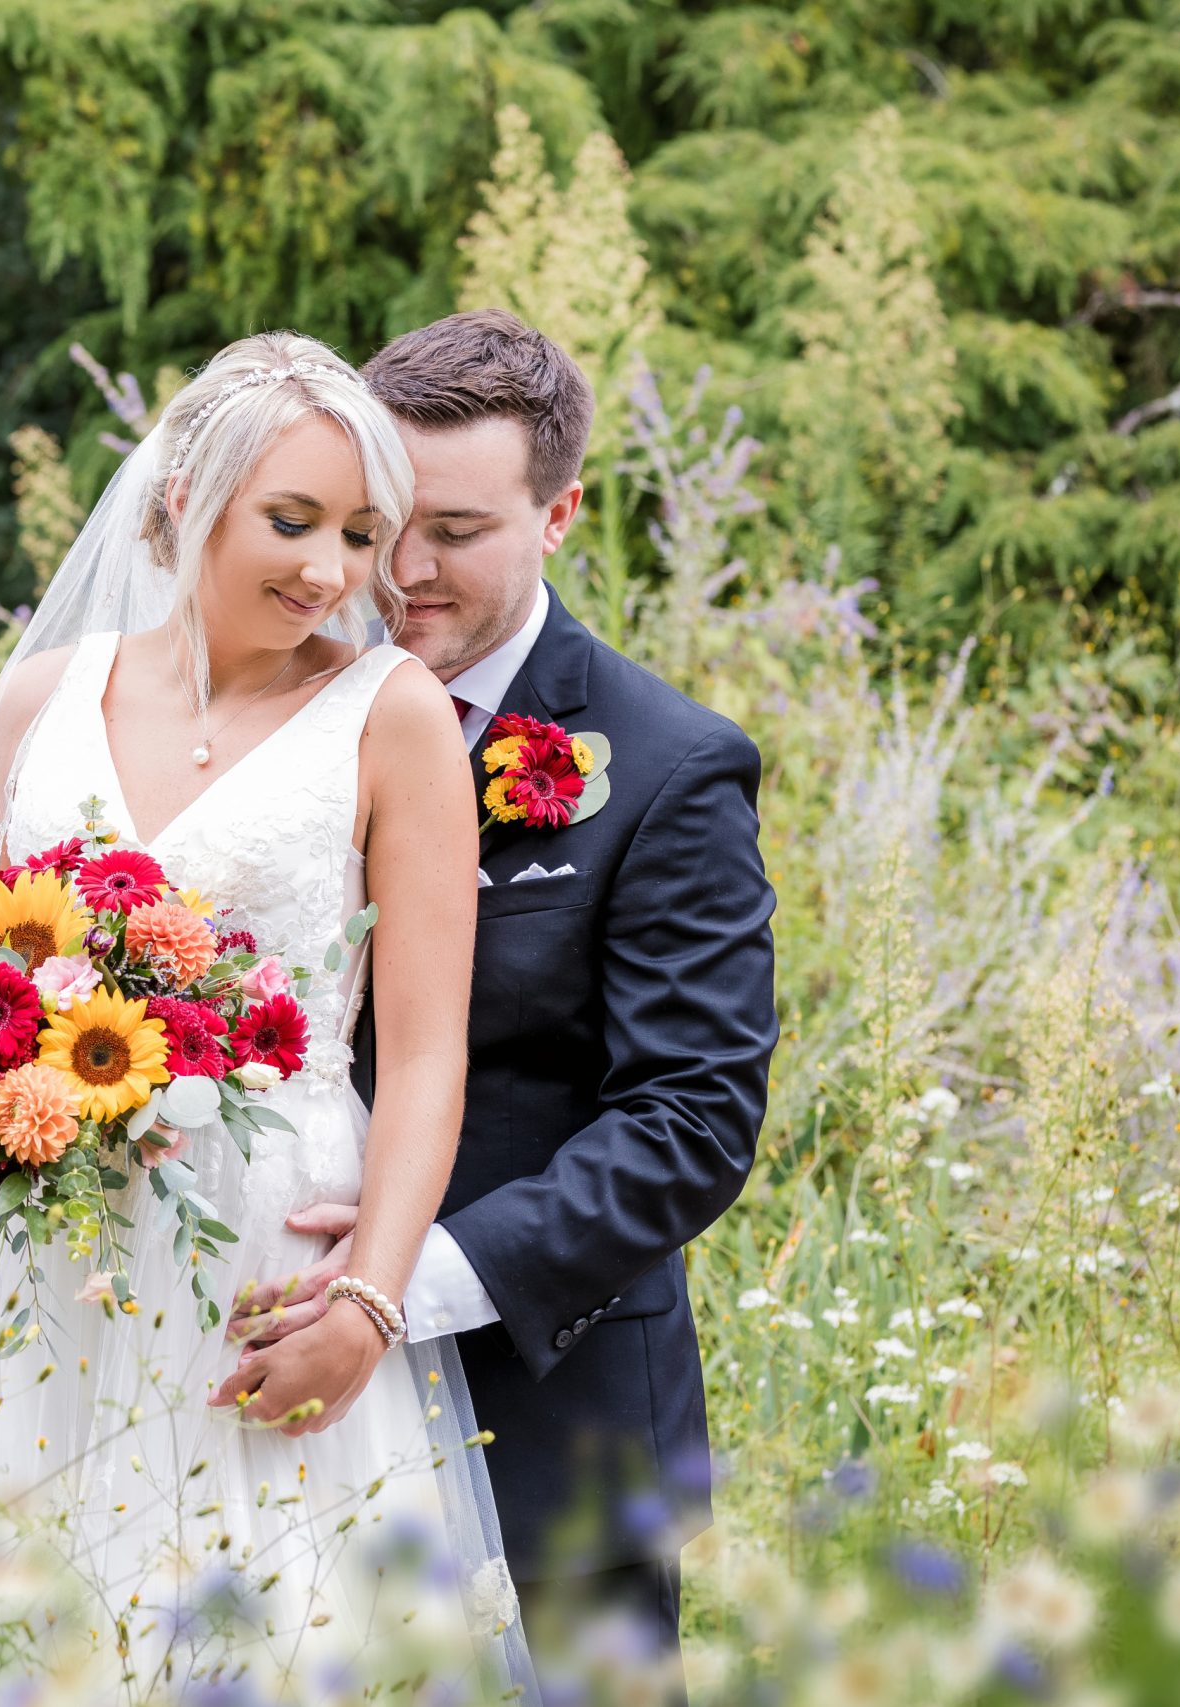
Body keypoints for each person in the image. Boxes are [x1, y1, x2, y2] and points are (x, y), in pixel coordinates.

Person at [0, 330, 533, 1697]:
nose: (332, 571)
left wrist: (369, 1295)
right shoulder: (39, 700)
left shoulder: (392, 715)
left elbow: (425, 1051)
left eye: (363, 533)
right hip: (55, 1260)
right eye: (292, 520)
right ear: (183, 498)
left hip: (270, 1268)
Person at [223, 310, 780, 1701]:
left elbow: (692, 1119)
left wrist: (401, 1282)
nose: (403, 572)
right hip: (265, 1392)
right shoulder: (267, 727)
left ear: (562, 515)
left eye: (457, 531)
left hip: (551, 1420)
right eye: (384, 520)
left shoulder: (667, 769)